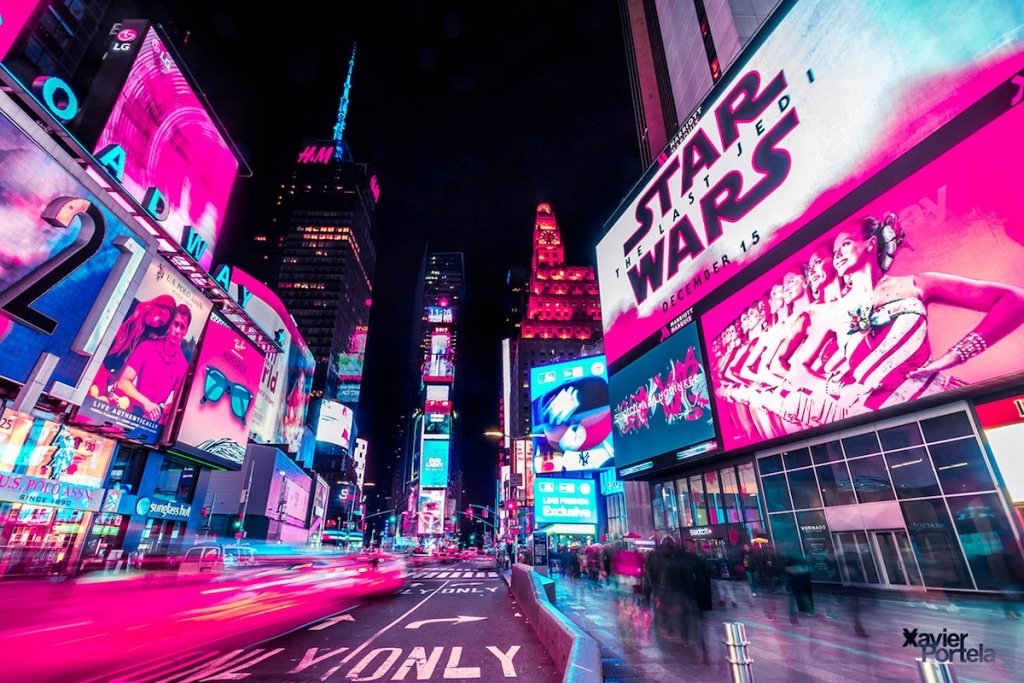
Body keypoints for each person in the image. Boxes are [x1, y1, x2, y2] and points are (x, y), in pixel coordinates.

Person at [792, 213, 1024, 414]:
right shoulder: (831, 311)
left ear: (870, 243)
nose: (838, 255)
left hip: (942, 402)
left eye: (845, 244)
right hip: (881, 418)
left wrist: (954, 355)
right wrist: (840, 389)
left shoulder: (916, 284)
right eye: (835, 251)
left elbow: (1015, 301)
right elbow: (797, 373)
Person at [113, 304, 192, 424]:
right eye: (176, 324)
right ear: (170, 325)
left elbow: (176, 404)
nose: (177, 331)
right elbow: (123, 382)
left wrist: (162, 411)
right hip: (131, 412)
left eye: (182, 327)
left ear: (186, 331)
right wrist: (145, 403)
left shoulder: (182, 366)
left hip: (154, 422)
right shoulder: (147, 347)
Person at [90, 294, 178, 399]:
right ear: (156, 304)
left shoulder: (146, 337)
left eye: (160, 322)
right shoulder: (130, 306)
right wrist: (100, 370)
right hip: (90, 360)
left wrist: (113, 377)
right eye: (159, 312)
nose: (155, 320)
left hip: (104, 375)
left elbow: (126, 367)